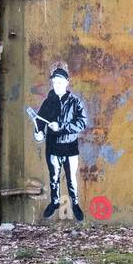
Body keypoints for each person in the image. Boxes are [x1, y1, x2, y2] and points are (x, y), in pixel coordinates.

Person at [33, 66, 89, 221]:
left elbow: (82, 123)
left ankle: (75, 204)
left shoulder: (75, 101)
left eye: (59, 82)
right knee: (54, 178)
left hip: (70, 147)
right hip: (52, 147)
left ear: (66, 83)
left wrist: (62, 127)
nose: (56, 85)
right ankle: (55, 202)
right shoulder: (48, 102)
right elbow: (39, 121)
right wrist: (39, 133)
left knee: (71, 178)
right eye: (54, 82)